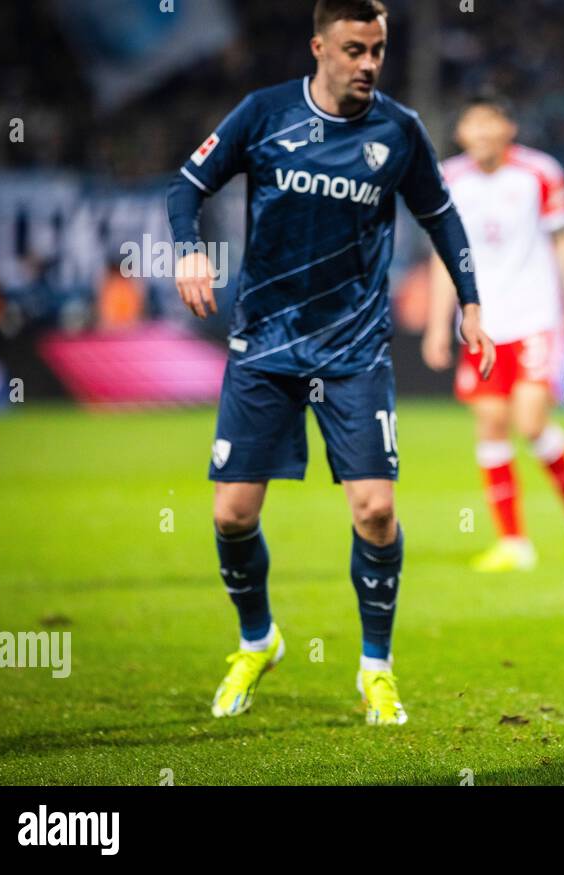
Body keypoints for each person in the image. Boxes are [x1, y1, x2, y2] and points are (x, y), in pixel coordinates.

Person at [166, 0, 494, 726]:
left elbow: (442, 214)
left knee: (376, 510)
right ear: (319, 46)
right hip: (265, 346)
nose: (369, 64)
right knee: (232, 513)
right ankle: (259, 639)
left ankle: (376, 668)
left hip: (354, 349)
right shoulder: (264, 113)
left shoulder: (399, 130)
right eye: (354, 49)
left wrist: (470, 300)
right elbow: (186, 186)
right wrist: (189, 249)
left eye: (377, 49)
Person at [423, 93, 564, 573]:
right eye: (472, 124)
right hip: (482, 323)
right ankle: (513, 543)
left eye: (491, 123)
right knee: (490, 426)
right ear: (461, 133)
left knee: (530, 422)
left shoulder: (539, 173)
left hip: (534, 316)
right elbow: (445, 257)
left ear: (508, 128)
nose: (482, 133)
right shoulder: (449, 179)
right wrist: (439, 324)